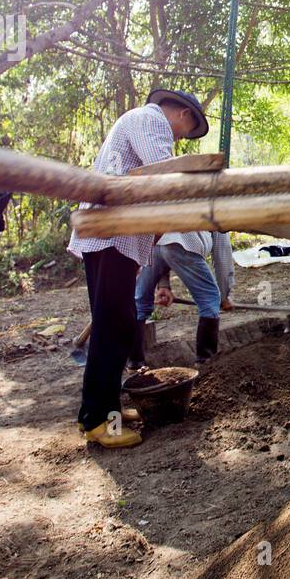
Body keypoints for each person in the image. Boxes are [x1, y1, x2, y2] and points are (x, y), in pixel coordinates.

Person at [67, 88, 208, 449]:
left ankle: (104, 410)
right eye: (185, 130)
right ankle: (99, 420)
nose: (180, 137)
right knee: (114, 327)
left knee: (115, 323)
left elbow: (148, 186)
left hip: (117, 237)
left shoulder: (139, 123)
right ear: (182, 115)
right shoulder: (150, 121)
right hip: (112, 234)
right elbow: (168, 178)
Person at [130, 229, 235, 367]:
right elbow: (222, 257)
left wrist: (164, 285)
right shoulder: (220, 219)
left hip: (154, 245)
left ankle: (134, 363)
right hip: (184, 244)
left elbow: (163, 247)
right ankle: (205, 362)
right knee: (210, 299)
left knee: (140, 304)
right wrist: (224, 296)